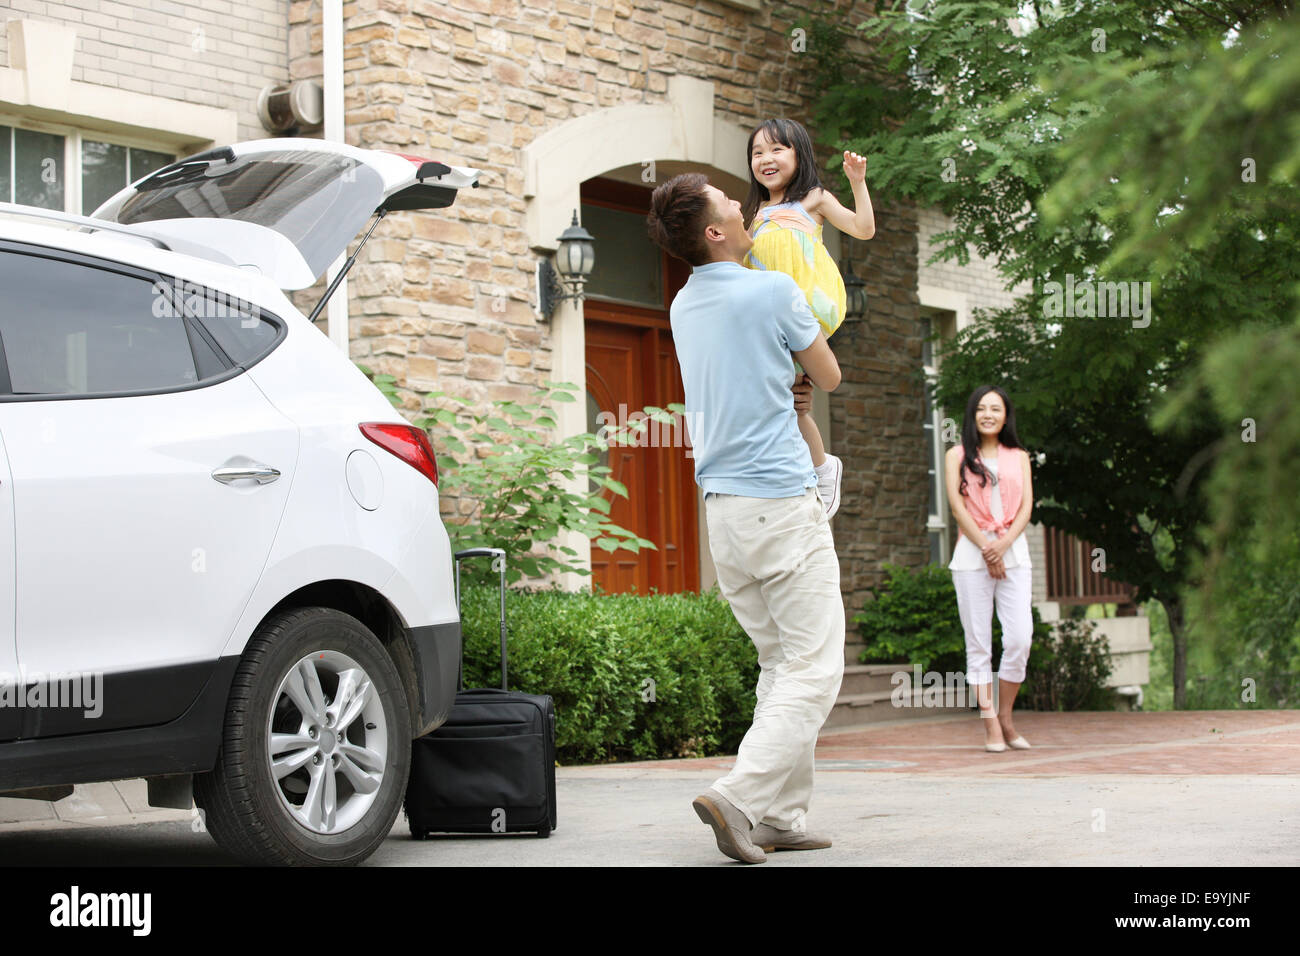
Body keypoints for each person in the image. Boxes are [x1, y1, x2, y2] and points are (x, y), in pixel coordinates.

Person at [646, 172, 846, 864]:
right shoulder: (773, 291)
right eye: (729, 203)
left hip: (723, 514)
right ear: (715, 231)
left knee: (779, 663)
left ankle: (780, 816)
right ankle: (737, 795)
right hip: (781, 502)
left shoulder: (684, 303)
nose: (742, 205)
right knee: (815, 668)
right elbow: (828, 376)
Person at [742, 117, 876, 518]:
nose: (766, 159)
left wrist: (857, 182)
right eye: (757, 152)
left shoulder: (813, 199)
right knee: (788, 403)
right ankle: (808, 469)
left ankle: (822, 469)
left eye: (776, 149)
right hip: (766, 318)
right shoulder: (754, 213)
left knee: (794, 401)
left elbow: (863, 229)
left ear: (799, 155)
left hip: (804, 308)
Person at [944, 385, 1035, 752]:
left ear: (1006, 415)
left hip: (1014, 553)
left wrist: (1003, 546)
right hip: (972, 556)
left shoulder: (1020, 456)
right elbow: (956, 506)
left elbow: (1027, 506)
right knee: (978, 644)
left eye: (995, 408)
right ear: (972, 414)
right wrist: (987, 548)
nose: (988, 414)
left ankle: (1006, 716)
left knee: (1019, 639)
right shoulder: (956, 455)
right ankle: (991, 725)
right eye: (981, 408)